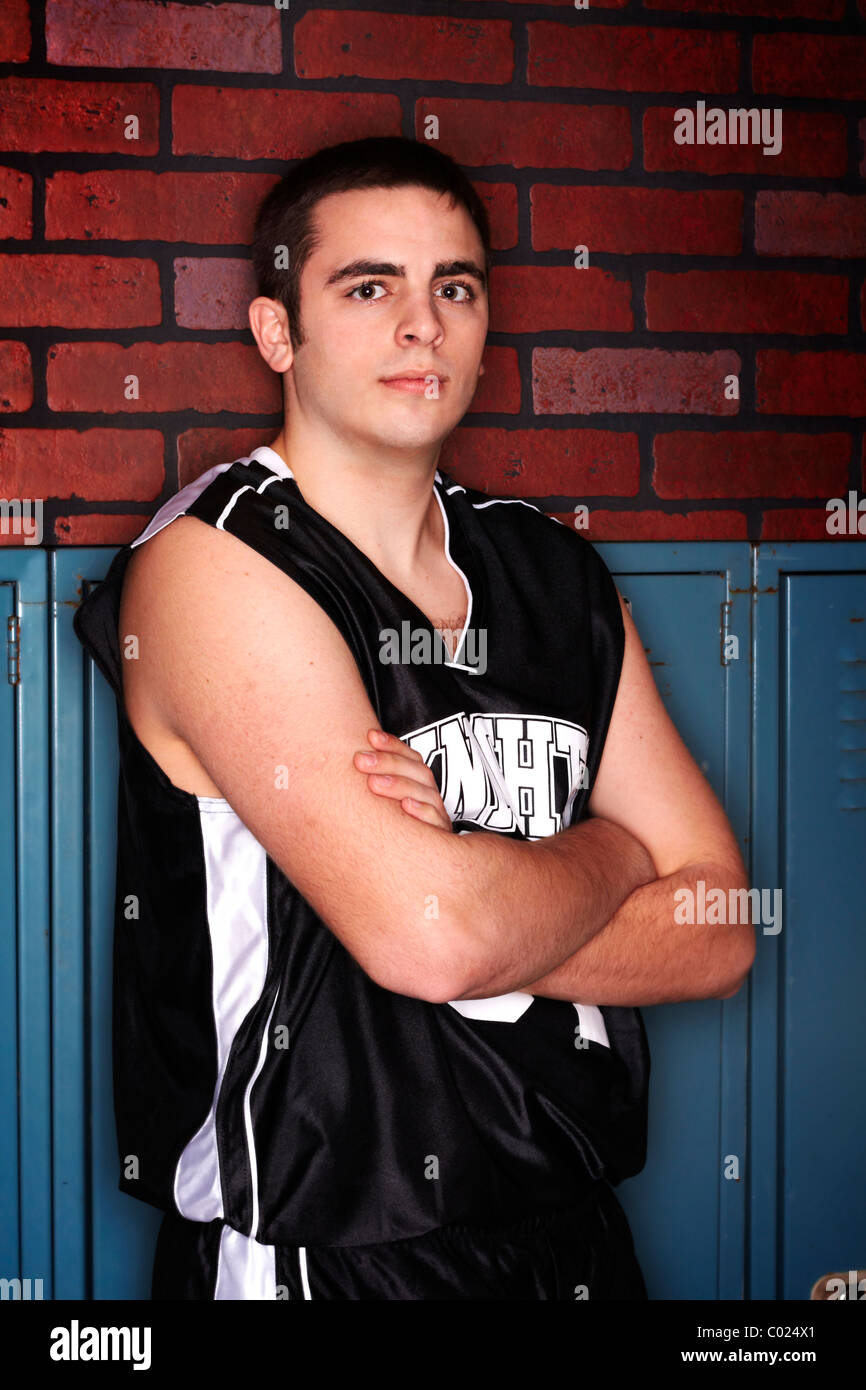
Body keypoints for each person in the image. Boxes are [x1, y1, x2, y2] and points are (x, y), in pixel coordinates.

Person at [73, 135, 753, 1301]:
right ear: (277, 332)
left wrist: (469, 890)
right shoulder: (214, 563)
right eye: (367, 287)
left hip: (572, 1235)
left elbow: (721, 926)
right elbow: (431, 939)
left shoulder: (552, 571)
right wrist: (609, 851)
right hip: (325, 1251)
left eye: (455, 288)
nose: (422, 326)